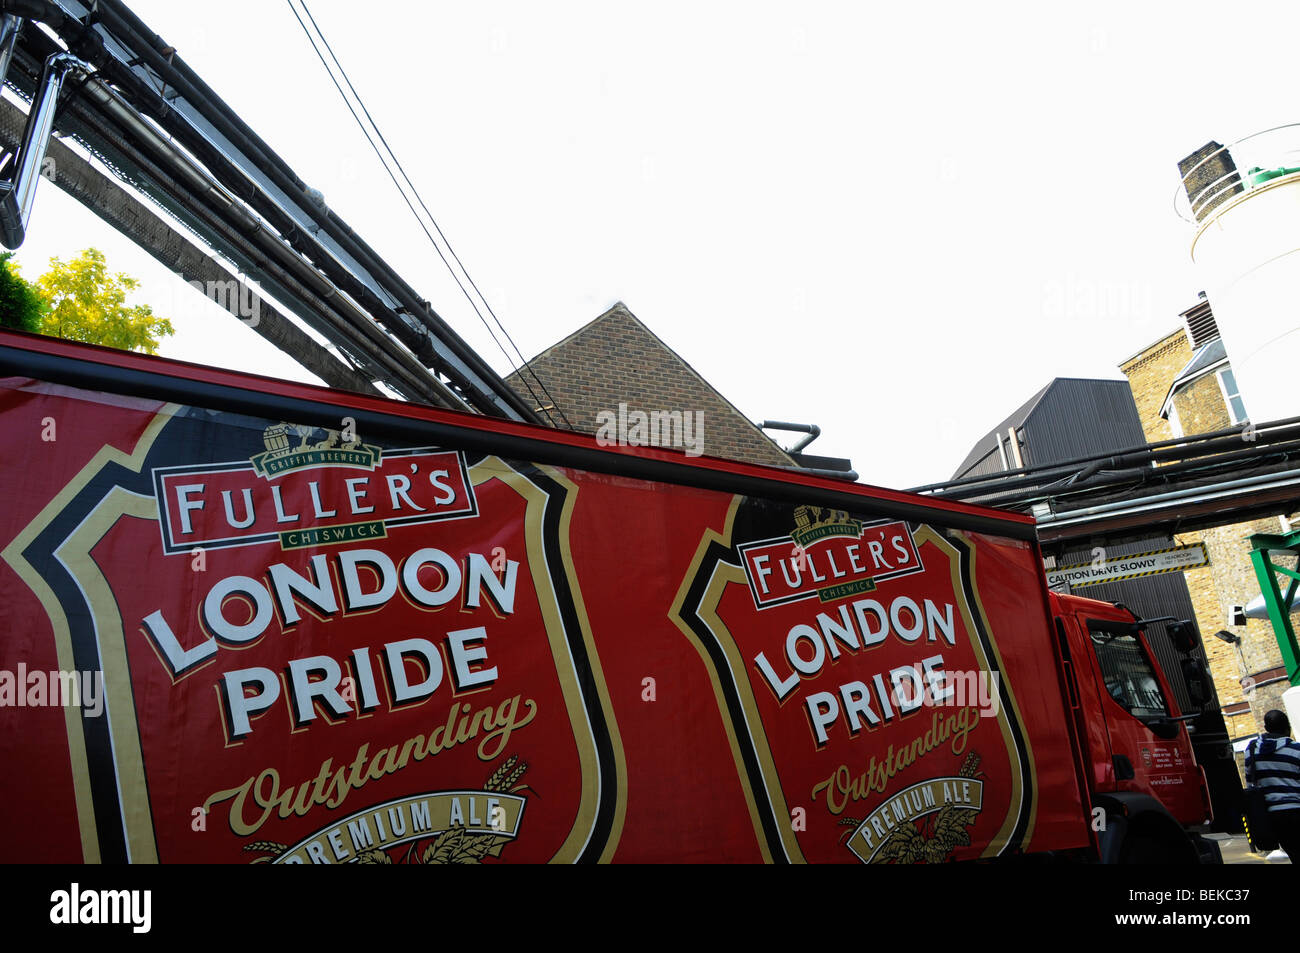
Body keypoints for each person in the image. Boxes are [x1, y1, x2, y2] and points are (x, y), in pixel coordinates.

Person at [1245, 709, 1300, 863]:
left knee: (1294, 853)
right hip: (1297, 810)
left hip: (1273, 816)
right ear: (1287, 727)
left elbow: (1250, 783)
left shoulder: (1252, 750)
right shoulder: (1296, 750)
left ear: (1267, 728)